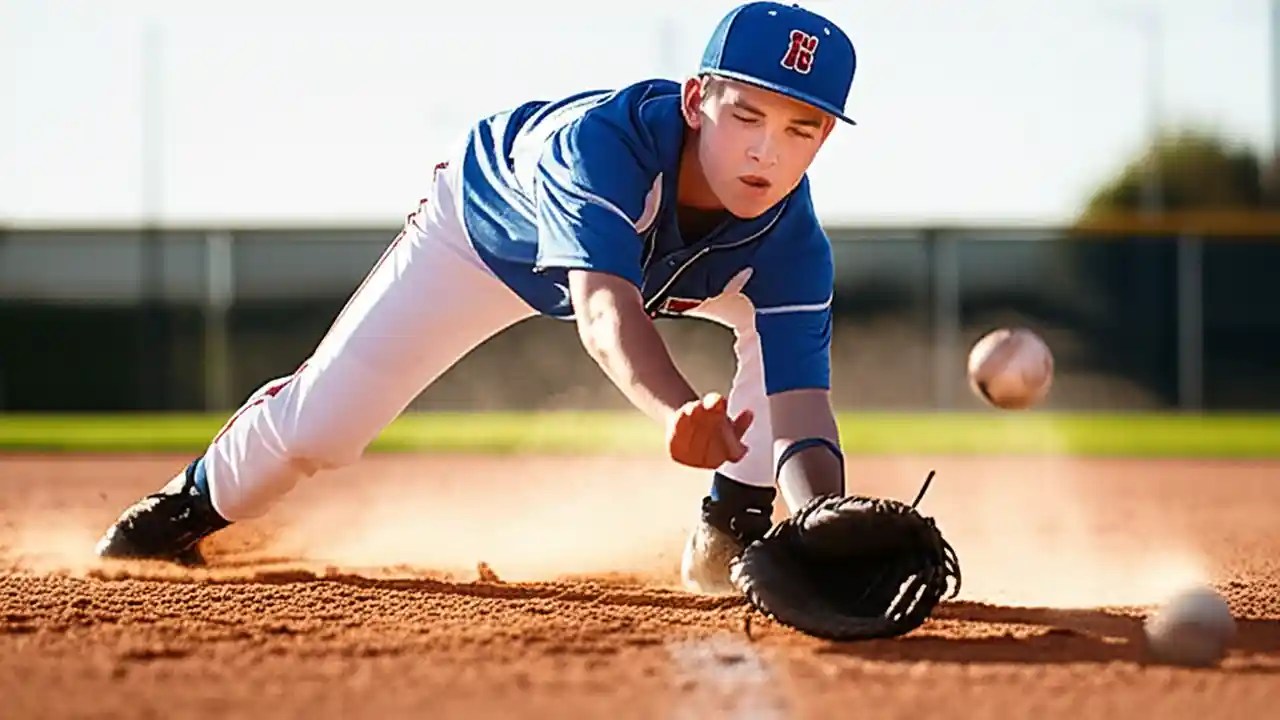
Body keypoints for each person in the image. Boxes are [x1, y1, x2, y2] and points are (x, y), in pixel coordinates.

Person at [95, 1, 857, 596]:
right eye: (746, 115)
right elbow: (602, 313)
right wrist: (673, 412)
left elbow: (799, 405)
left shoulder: (793, 244)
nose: (767, 150)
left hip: (642, 276)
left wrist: (824, 516)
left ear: (824, 142)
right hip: (485, 239)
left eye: (802, 128)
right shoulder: (601, 149)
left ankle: (730, 531)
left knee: (772, 351)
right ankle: (176, 513)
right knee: (321, 428)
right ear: (696, 101)